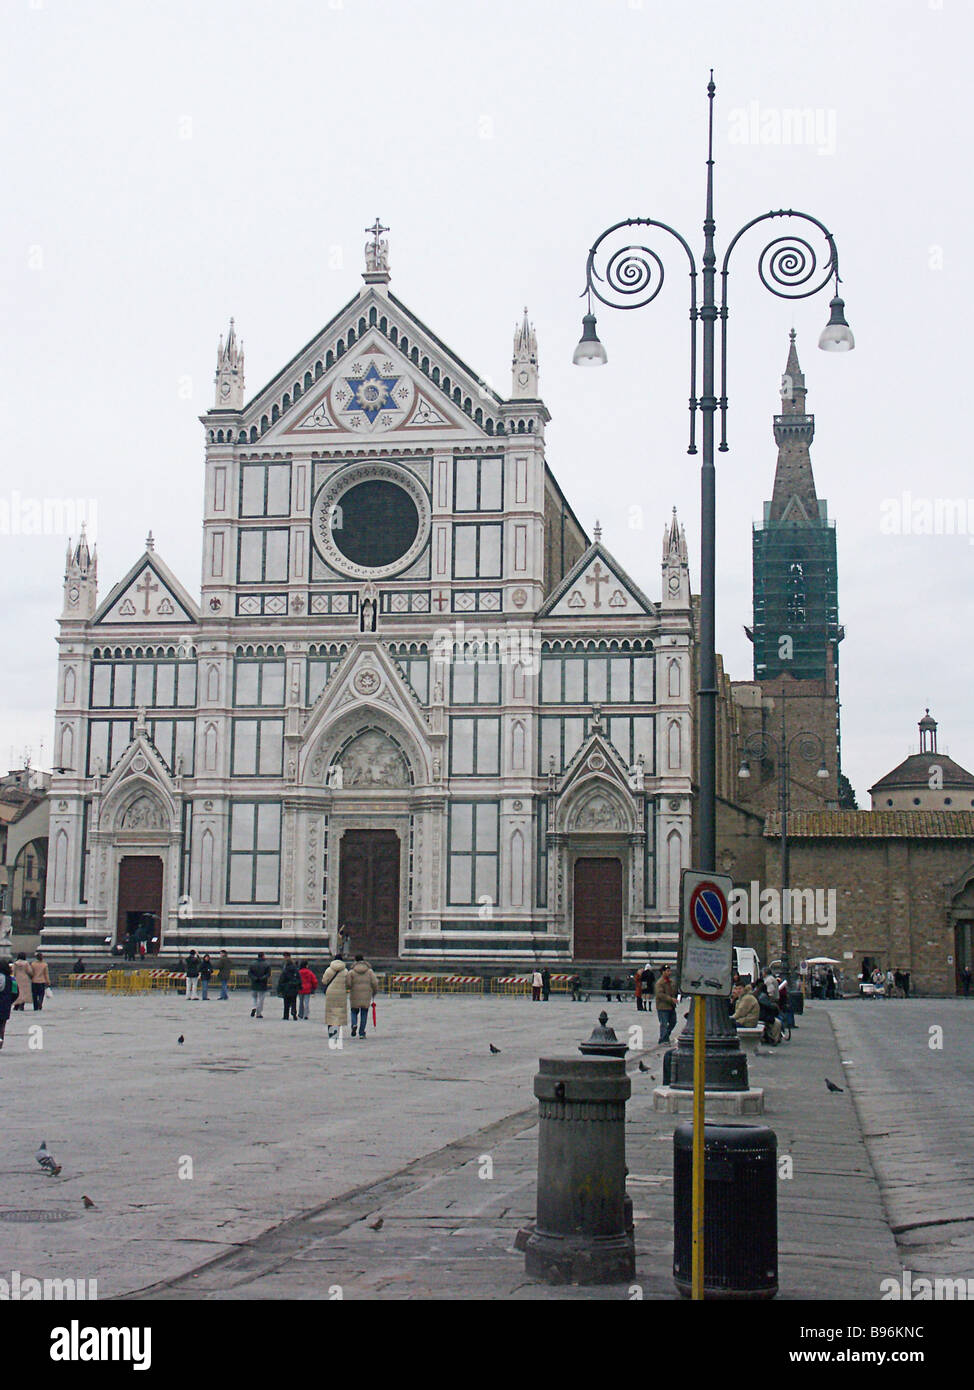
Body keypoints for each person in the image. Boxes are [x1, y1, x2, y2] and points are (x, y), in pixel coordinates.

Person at [346, 954, 379, 1038]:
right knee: (364, 1013)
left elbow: (348, 984)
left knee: (354, 1011)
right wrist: (374, 992)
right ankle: (362, 1032)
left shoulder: (351, 972)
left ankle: (354, 1024)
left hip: (355, 995)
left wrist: (349, 988)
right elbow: (375, 983)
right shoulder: (369, 972)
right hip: (366, 995)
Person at [321, 954, 349, 1042]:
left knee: (331, 1013)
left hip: (331, 993)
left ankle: (331, 1033)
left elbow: (324, 981)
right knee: (339, 1013)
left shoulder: (329, 969)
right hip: (341, 993)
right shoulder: (345, 971)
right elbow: (348, 983)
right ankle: (337, 1032)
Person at [655, 966, 678, 1044]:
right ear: (663, 972)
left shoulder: (671, 981)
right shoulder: (660, 983)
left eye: (670, 971)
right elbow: (660, 994)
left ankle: (666, 1036)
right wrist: (671, 999)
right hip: (663, 1006)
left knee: (673, 1022)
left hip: (671, 1006)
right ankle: (663, 1039)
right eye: (667, 971)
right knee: (664, 1023)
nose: (669, 973)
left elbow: (674, 991)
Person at [278, 953, 301, 1021]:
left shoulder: (285, 970)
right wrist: (298, 985)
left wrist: (280, 988)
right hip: (293, 987)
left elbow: (281, 980)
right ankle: (294, 1013)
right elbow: (299, 979)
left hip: (286, 988)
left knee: (286, 1002)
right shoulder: (296, 969)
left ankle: (286, 1015)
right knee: (293, 1001)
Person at [248, 952, 270, 1018]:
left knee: (254, 997)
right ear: (263, 956)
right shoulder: (266, 964)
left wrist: (255, 978)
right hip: (262, 983)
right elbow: (268, 974)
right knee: (261, 999)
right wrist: (262, 978)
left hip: (254, 983)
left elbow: (249, 973)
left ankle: (254, 1007)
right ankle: (258, 1013)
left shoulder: (252, 964)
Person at [0, 959, 15, 1050]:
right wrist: (10, 1001)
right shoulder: (10, 979)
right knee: (2, 1025)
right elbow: (15, 992)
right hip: (5, 1005)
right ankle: (1, 1040)